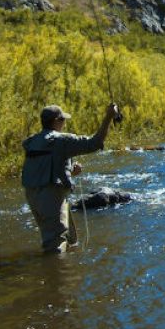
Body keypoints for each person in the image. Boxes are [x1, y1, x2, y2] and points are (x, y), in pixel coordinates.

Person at [22, 103, 120, 254]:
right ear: (56, 121)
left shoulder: (33, 141)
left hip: (33, 194)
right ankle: (56, 274)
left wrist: (69, 171)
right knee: (56, 243)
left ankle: (67, 266)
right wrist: (108, 117)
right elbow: (94, 143)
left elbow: (44, 166)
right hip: (51, 195)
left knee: (69, 239)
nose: (64, 123)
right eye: (63, 120)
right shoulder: (60, 141)